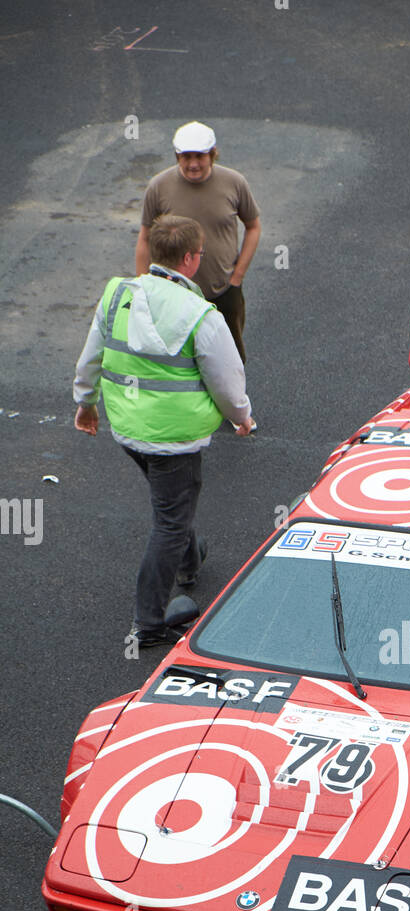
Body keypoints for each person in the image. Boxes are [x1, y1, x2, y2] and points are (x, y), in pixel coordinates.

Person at [74, 214, 255, 646]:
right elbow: (228, 380)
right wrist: (241, 417)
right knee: (170, 522)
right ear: (191, 260)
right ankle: (149, 623)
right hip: (174, 438)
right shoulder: (199, 314)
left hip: (127, 428)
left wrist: (86, 403)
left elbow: (91, 356)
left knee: (173, 502)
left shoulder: (117, 293)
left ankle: (190, 563)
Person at [135, 122, 261, 363]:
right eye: (186, 157)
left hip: (223, 292)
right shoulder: (158, 187)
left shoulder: (234, 182)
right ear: (177, 156)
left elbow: (253, 227)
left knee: (229, 361)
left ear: (213, 153)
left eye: (200, 156)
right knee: (178, 362)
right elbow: (144, 238)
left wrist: (237, 278)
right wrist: (143, 288)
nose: (193, 164)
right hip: (172, 295)